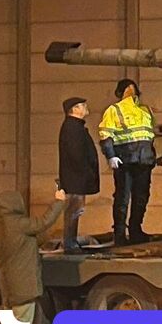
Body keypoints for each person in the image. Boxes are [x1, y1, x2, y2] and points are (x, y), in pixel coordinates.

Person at [0, 187, 65, 324]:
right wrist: (59, 201)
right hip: (22, 282)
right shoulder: (19, 224)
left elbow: (27, 242)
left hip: (7, 282)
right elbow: (44, 222)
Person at [99, 78, 155, 246]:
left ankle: (135, 230)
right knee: (123, 198)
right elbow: (106, 134)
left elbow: (149, 135)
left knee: (141, 198)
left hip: (144, 160)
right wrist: (110, 155)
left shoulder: (145, 110)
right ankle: (120, 233)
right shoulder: (113, 110)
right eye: (128, 89)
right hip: (125, 160)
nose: (131, 91)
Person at [58, 97, 100, 254]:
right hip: (76, 179)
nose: (86, 107)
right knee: (73, 211)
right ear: (74, 109)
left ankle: (71, 242)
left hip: (76, 178)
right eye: (82, 106)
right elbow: (77, 155)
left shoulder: (75, 127)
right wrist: (87, 172)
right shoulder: (73, 128)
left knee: (75, 211)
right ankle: (70, 243)